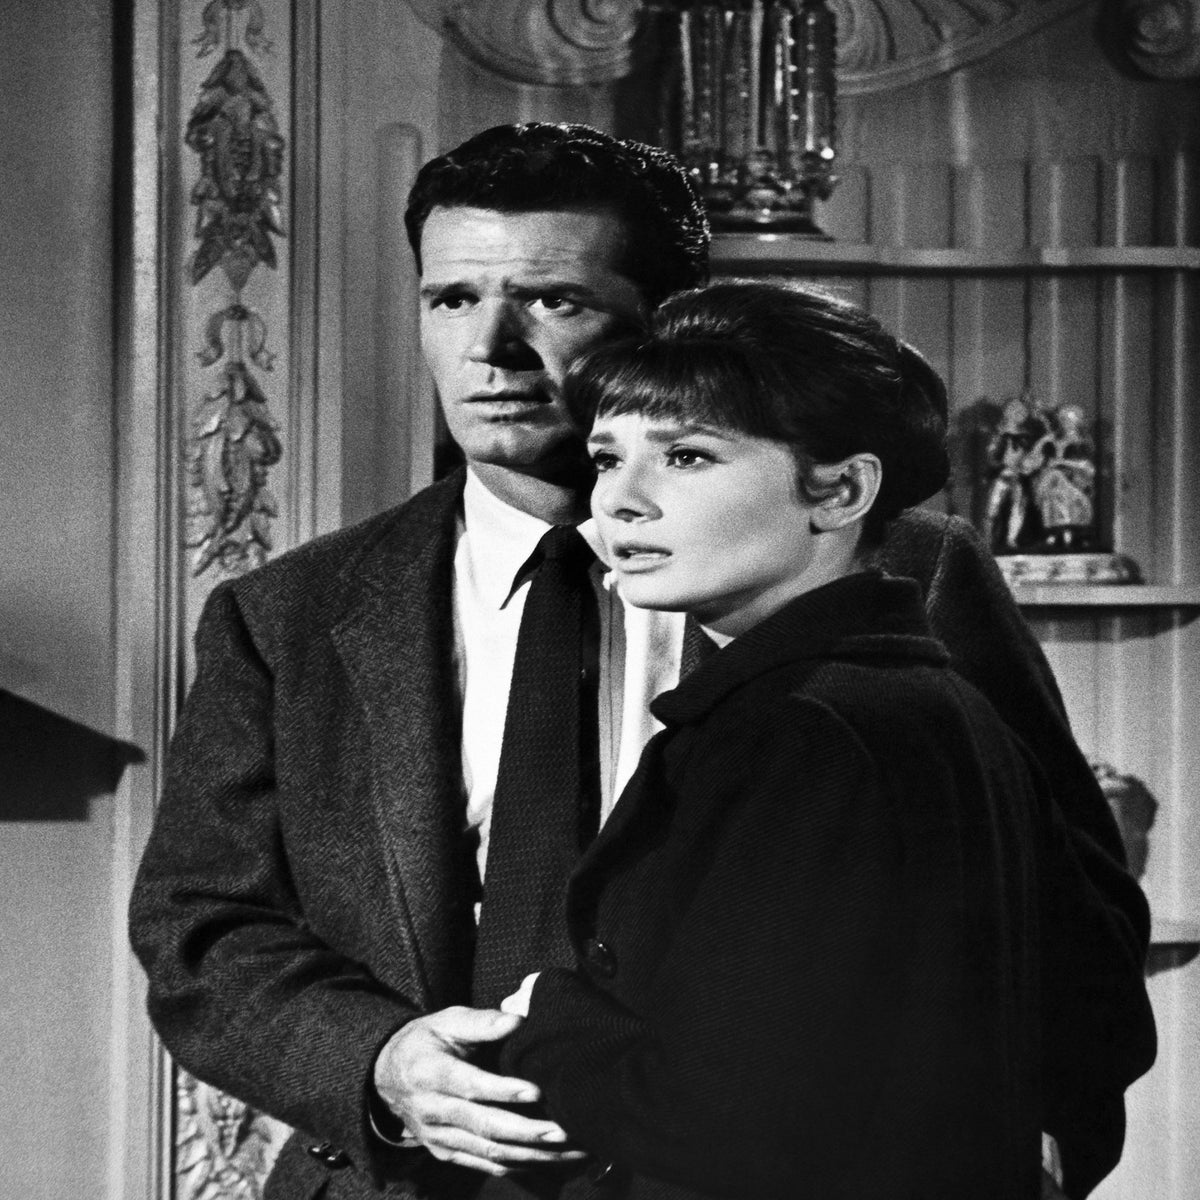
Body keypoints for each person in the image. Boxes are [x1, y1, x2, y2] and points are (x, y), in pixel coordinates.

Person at [129, 123, 1152, 1200]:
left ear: (663, 320)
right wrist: (381, 1063)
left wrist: (1027, 1145)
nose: (493, 349)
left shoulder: (900, 569)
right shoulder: (290, 614)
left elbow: (1071, 912)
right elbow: (202, 923)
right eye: (452, 300)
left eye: (552, 300)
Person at [495, 280, 1156, 1199]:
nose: (623, 502)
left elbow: (721, 1120)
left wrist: (546, 1020)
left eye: (686, 456)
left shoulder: (796, 731)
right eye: (608, 459)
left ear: (841, 491)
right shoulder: (924, 697)